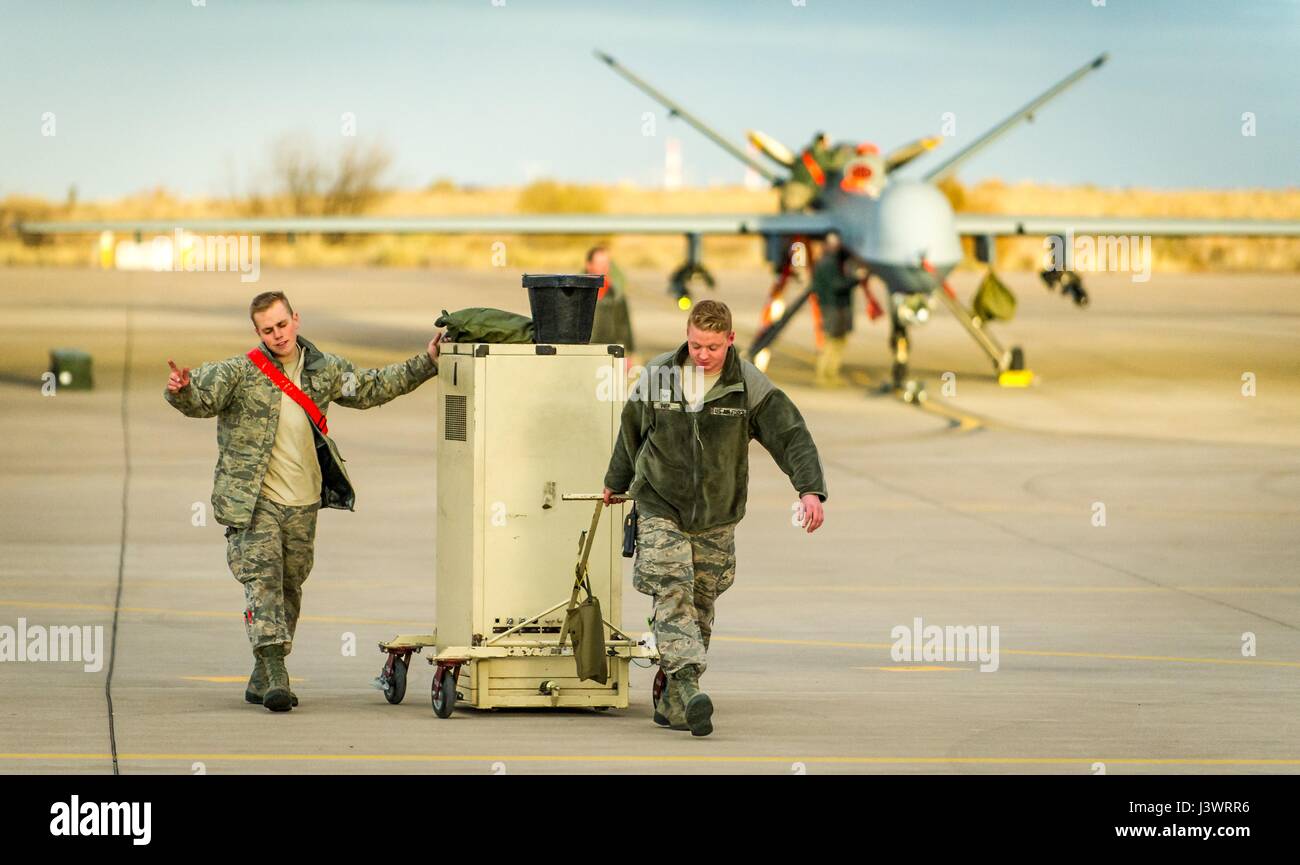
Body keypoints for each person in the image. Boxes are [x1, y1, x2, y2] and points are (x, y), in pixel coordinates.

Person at [165, 290, 441, 712]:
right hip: (254, 500)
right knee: (263, 582)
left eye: (281, 324)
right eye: (267, 329)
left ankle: (262, 672)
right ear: (257, 332)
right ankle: (277, 675)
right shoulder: (240, 372)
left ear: (295, 319)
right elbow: (199, 399)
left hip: (303, 500)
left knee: (290, 585)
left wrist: (427, 363)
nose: (277, 335)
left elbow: (371, 388)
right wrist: (182, 390)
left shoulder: (323, 369)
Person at [602, 299, 827, 736]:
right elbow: (631, 430)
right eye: (695, 344)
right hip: (659, 504)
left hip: (717, 515)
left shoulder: (748, 385)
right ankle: (686, 684)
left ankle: (673, 702)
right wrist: (616, 480)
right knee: (673, 592)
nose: (702, 355)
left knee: (701, 607)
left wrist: (810, 489)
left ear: (730, 340)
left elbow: (791, 435)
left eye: (711, 347)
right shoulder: (660, 374)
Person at [811, 231, 867, 387]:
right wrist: (855, 279)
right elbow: (837, 285)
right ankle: (824, 375)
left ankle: (830, 374)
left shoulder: (826, 262)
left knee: (837, 341)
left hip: (833, 306)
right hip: (833, 307)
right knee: (832, 342)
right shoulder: (829, 263)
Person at [585, 246, 636, 359]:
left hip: (609, 353)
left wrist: (628, 353)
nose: (604, 267)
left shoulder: (616, 295)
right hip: (585, 352)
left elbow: (624, 326)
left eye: (606, 263)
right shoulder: (577, 295)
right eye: (600, 263)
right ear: (589, 265)